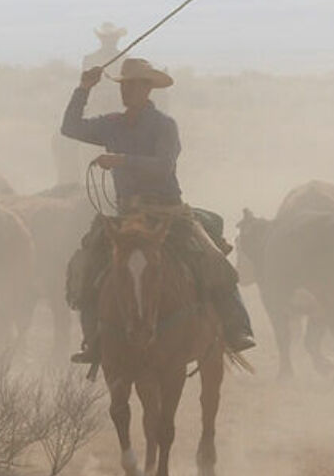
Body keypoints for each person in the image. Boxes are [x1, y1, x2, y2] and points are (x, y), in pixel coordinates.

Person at [60, 58, 254, 364]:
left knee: (215, 261)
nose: (128, 91)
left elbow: (164, 167)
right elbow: (70, 127)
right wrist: (83, 88)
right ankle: (94, 341)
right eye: (125, 85)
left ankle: (236, 328)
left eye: (135, 85)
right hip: (126, 214)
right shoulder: (111, 124)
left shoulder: (165, 125)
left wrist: (122, 160)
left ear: (148, 88)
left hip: (168, 212)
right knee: (86, 263)